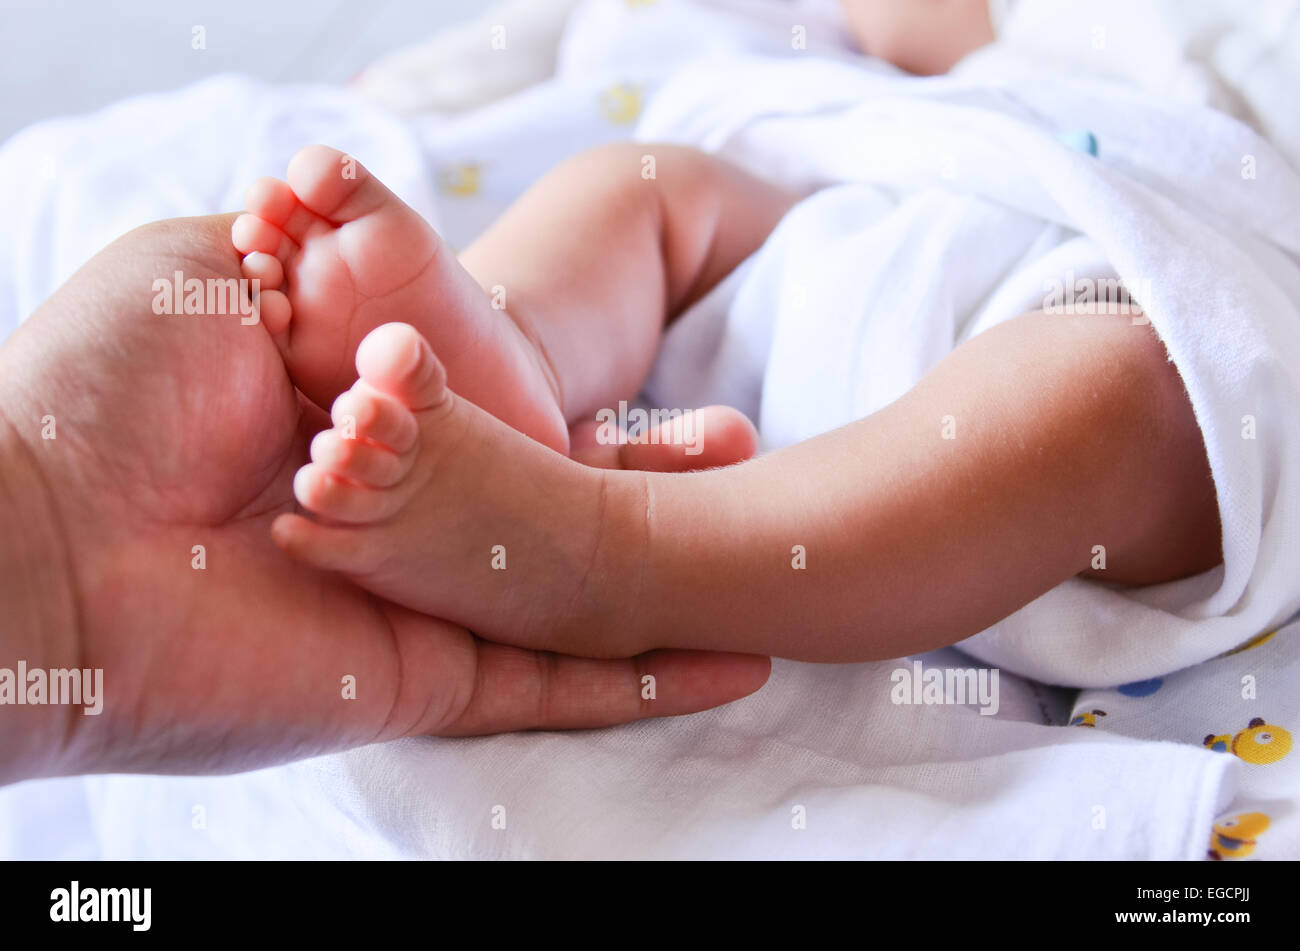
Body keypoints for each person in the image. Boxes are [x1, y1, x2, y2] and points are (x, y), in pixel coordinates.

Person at [231, 142, 1220, 664]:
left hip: (1154, 281)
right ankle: (516, 351)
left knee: (1113, 401)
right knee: (654, 189)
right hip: (910, 207)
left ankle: (609, 550)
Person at [0, 212, 771, 787]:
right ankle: (513, 372)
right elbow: (662, 217)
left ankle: (567, 497)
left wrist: (609, 544)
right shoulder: (772, 102)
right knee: (640, 193)